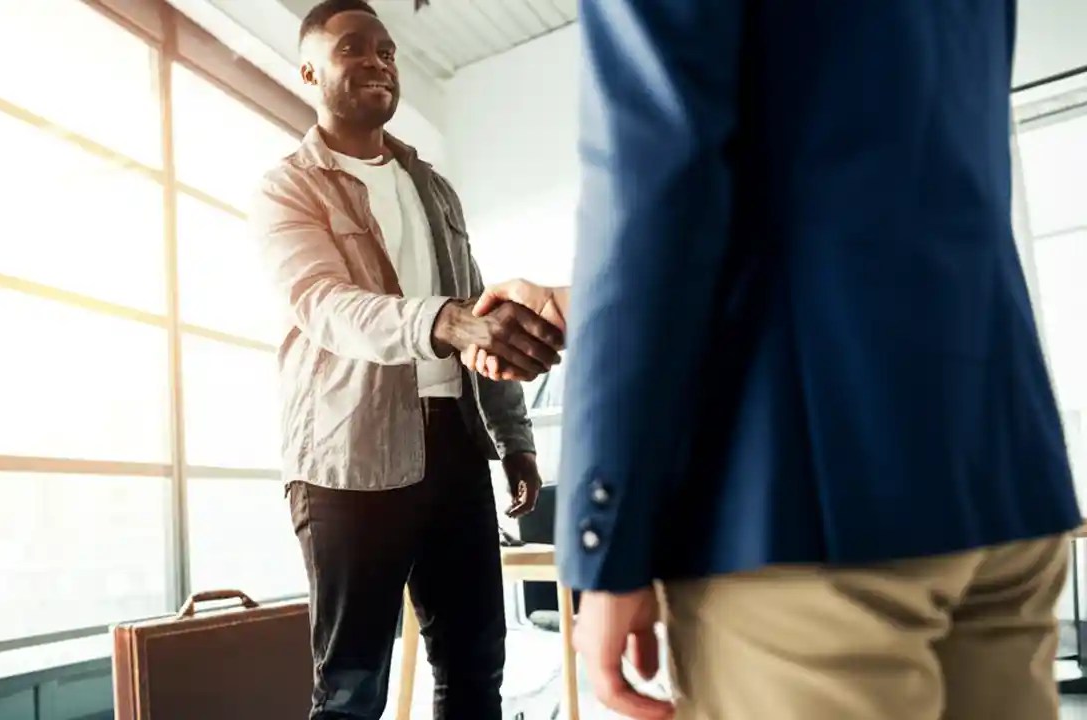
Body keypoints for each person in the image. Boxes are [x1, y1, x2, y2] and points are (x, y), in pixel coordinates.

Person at [464, 1, 1083, 718]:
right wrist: (573, 305)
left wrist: (609, 543)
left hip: (801, 504)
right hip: (1000, 474)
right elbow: (860, 181)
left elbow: (658, 185)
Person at [248, 1, 565, 718]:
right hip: (346, 459)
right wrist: (444, 322)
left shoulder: (434, 187)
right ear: (308, 71)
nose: (378, 62)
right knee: (353, 689)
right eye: (353, 48)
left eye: (387, 51)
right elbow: (324, 305)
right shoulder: (287, 187)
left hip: (455, 446)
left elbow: (476, 308)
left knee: (476, 670)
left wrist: (513, 439)